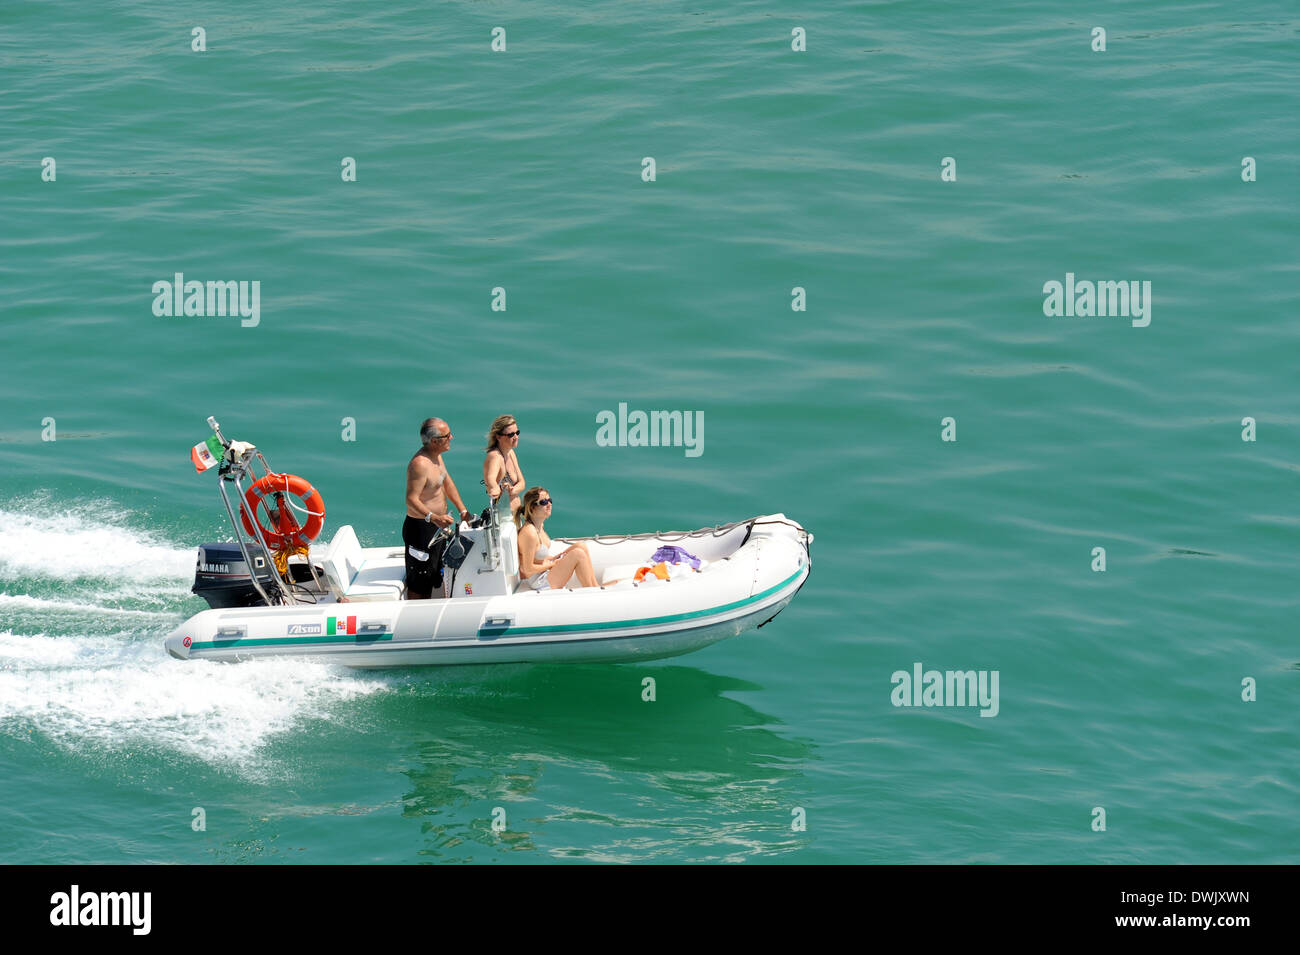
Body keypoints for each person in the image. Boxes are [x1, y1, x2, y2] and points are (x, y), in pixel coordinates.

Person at [403, 417, 472, 599]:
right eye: (447, 435)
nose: (452, 437)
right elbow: (411, 499)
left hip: (439, 527)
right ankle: (415, 620)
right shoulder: (419, 465)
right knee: (420, 582)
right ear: (435, 441)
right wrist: (433, 517)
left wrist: (463, 511)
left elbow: (446, 483)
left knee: (436, 572)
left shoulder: (437, 457)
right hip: (421, 530)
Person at [516, 486, 609, 590]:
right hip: (539, 581)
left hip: (545, 570)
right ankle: (592, 590)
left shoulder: (539, 526)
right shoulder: (529, 533)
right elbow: (527, 569)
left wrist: (554, 559)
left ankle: (595, 586)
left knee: (580, 546)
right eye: (543, 502)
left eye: (549, 500)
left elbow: (537, 557)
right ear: (532, 507)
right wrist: (551, 565)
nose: (549, 504)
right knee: (578, 554)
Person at [482, 414, 526, 516]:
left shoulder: (510, 453)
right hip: (502, 516)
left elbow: (522, 482)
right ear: (498, 436)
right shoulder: (495, 456)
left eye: (517, 433)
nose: (516, 437)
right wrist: (495, 488)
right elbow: (490, 478)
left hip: (515, 514)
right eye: (511, 435)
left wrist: (512, 490)